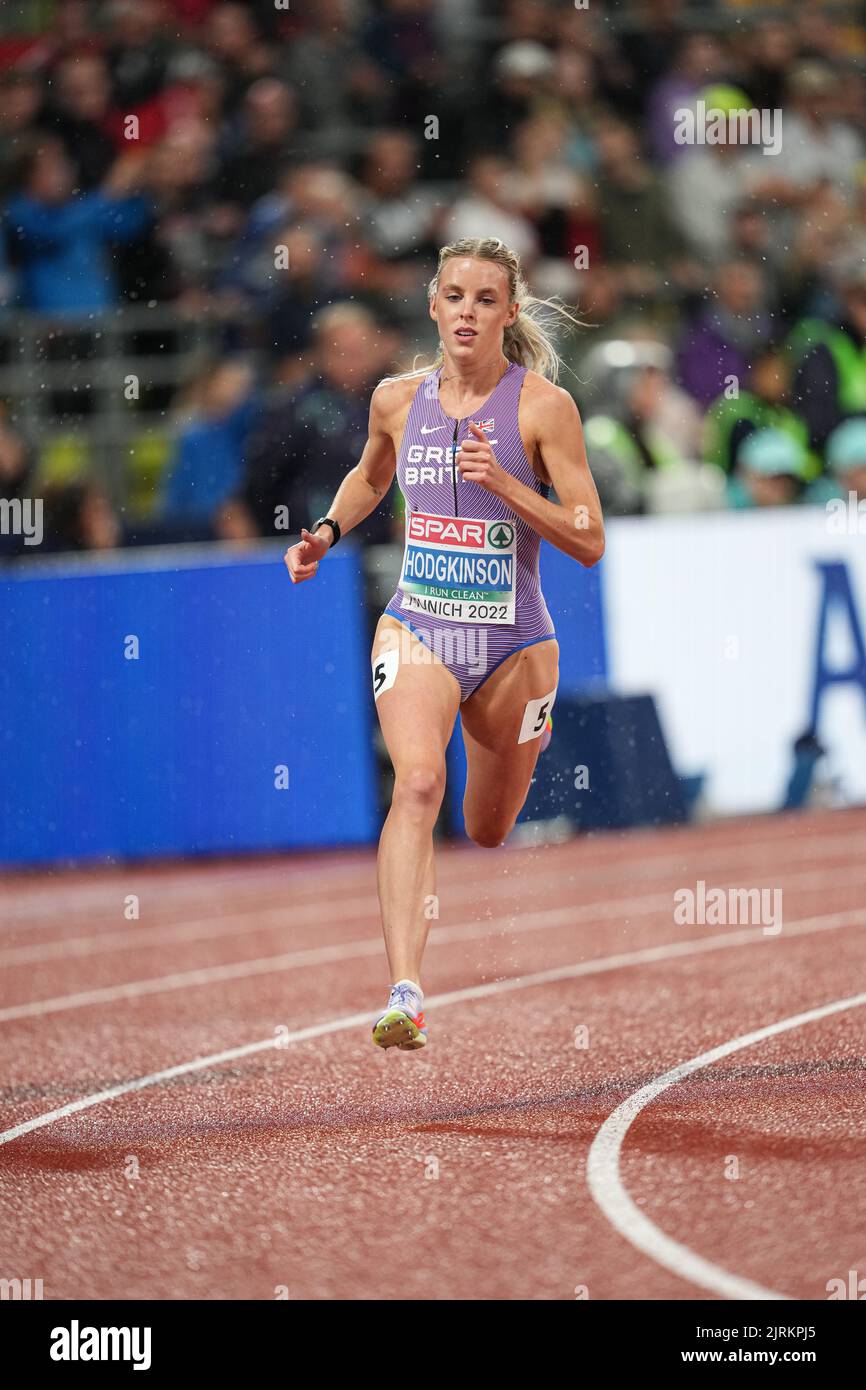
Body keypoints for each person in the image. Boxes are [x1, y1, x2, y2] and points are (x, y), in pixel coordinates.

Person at [283, 237, 604, 1050]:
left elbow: (589, 537)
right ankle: (405, 993)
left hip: (513, 646)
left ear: (509, 312)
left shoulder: (542, 408)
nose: (467, 312)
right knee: (418, 783)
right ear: (433, 306)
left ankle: (524, 733)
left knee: (489, 826)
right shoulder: (396, 398)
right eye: (454, 296)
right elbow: (371, 475)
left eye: (485, 299)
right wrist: (325, 530)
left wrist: (504, 484)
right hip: (419, 623)